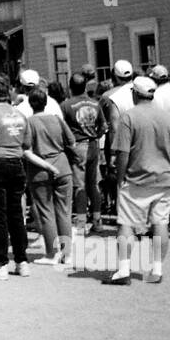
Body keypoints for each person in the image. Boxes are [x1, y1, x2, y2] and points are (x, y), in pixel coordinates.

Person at [0, 75, 59, 281]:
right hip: (17, 165)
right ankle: (21, 260)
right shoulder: (20, 115)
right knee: (16, 214)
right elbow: (27, 144)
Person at [105, 77, 170, 285]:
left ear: (135, 94)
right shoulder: (166, 116)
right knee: (160, 223)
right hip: (163, 176)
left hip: (137, 178)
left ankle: (124, 270)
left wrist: (120, 178)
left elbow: (123, 153)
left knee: (126, 224)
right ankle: (157, 269)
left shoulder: (129, 117)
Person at [24, 87, 77, 267]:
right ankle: (67, 253)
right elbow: (71, 142)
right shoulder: (56, 119)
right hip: (62, 166)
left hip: (40, 170)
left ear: (30, 104)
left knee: (47, 213)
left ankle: (51, 253)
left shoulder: (29, 122)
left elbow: (26, 150)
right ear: (46, 102)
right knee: (64, 212)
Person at [62, 72, 107, 230]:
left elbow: (62, 129)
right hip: (93, 144)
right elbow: (103, 126)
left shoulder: (66, 105)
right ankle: (97, 220)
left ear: (70, 87)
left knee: (79, 185)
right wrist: (96, 136)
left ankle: (81, 223)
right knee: (93, 184)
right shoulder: (95, 103)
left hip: (77, 145)